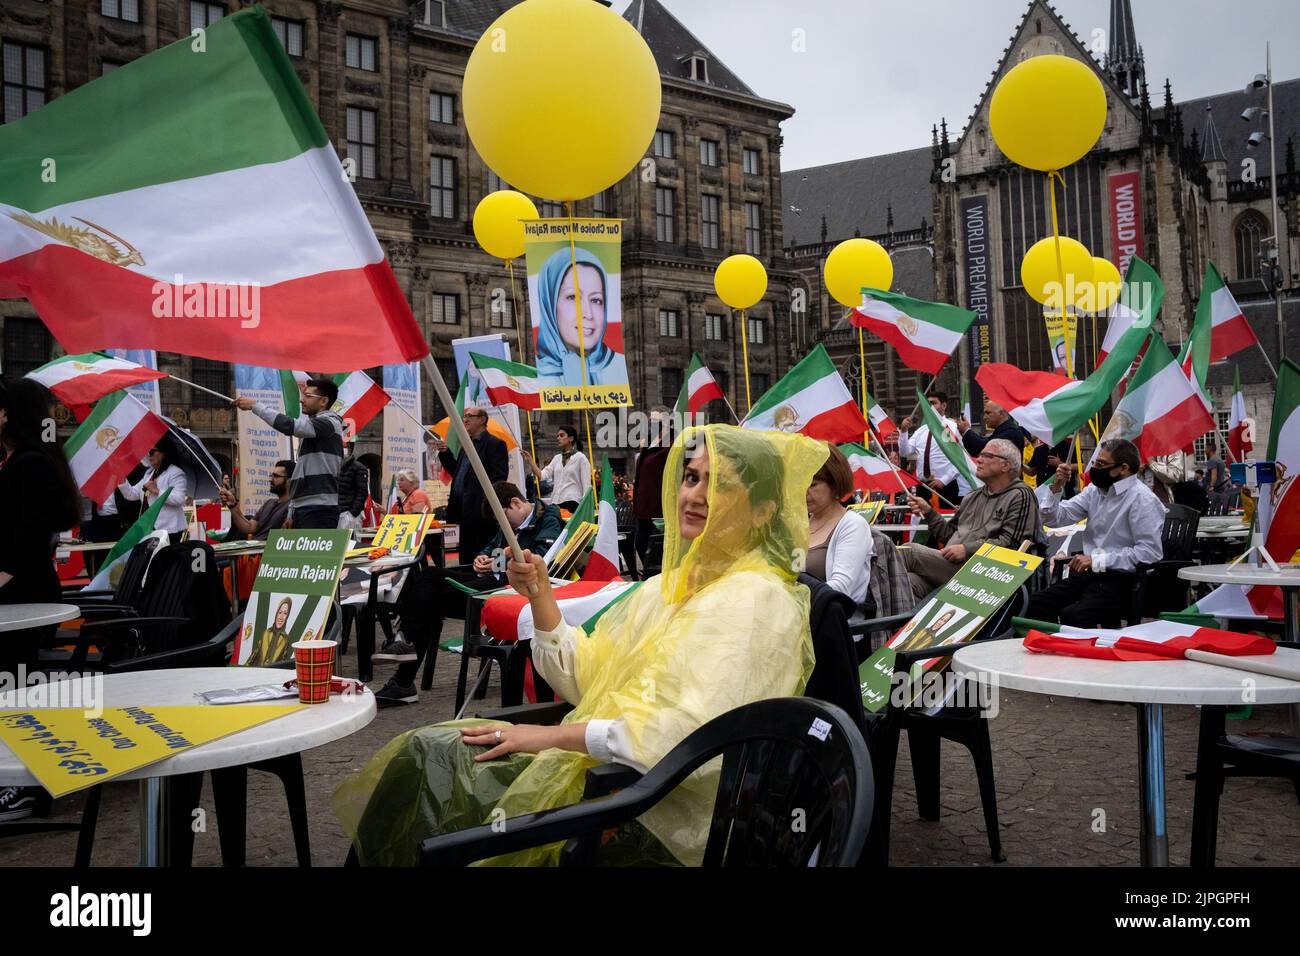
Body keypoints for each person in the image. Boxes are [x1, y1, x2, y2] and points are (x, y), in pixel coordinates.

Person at [334, 425, 823, 865]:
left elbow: (683, 735)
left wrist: (544, 737)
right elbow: (587, 673)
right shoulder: (667, 588)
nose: (693, 495)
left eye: (718, 484)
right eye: (690, 477)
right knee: (425, 751)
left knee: (428, 761)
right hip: (599, 776)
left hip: (654, 817)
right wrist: (542, 595)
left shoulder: (758, 601)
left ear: (763, 511)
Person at [373, 481, 566, 704]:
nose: (500, 524)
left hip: (505, 590)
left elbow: (540, 558)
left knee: (428, 603)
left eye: (501, 517)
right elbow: (491, 548)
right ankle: (404, 641)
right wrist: (482, 558)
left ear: (516, 503)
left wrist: (499, 558)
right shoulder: (510, 523)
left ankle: (403, 678)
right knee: (429, 576)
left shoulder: (548, 518)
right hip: (486, 580)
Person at [0, 379, 81, 821]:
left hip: (24, 596)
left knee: (13, 685)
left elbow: (29, 536)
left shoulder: (31, 463)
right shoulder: (21, 460)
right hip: (22, 591)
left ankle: (26, 787)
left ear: (9, 414)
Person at [1025, 438, 1165, 628]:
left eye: (1101, 464)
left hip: (1123, 579)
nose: (1094, 468)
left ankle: (1083, 652)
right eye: (1095, 462)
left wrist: (1096, 559)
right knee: (1036, 603)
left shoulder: (1142, 499)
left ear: (1123, 468)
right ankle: (1051, 648)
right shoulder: (1096, 490)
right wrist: (1056, 487)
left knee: (1074, 615)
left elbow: (1149, 553)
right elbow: (1055, 518)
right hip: (1091, 574)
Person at [901, 438, 1038, 598]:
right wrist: (928, 511)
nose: (978, 459)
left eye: (987, 455)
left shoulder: (1020, 495)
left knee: (908, 551)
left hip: (985, 575)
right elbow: (948, 535)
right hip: (952, 569)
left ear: (1005, 465)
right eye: (980, 455)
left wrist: (967, 549)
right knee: (906, 583)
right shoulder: (972, 497)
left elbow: (1012, 544)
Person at [232, 377, 345, 530]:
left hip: (319, 509)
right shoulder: (314, 430)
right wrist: (291, 512)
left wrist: (255, 406)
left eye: (308, 396)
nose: (302, 400)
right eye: (303, 395)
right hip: (306, 508)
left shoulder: (329, 423)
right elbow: (300, 473)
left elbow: (290, 426)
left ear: (324, 401)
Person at [534, 247, 627, 389]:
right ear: (550, 303)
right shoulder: (533, 376)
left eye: (596, 300)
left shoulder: (618, 366)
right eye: (573, 297)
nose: (588, 314)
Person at [429, 406, 508, 561]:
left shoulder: (494, 444)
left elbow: (498, 479)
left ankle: (483, 582)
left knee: (481, 555)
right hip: (462, 512)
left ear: (482, 419)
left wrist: (484, 504)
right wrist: (445, 453)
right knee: (466, 557)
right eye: (464, 416)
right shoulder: (467, 445)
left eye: (470, 416)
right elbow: (457, 473)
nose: (465, 419)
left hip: (480, 514)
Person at [805, 443, 873, 607]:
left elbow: (841, 588)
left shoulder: (853, 525)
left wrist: (790, 600)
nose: (804, 491)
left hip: (833, 626)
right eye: (801, 483)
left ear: (835, 484)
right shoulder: (799, 524)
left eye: (813, 485)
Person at [117, 435, 188, 541]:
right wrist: (121, 479)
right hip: (148, 528)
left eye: (152, 452)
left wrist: (156, 490)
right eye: (148, 452)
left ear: (163, 453)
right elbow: (131, 494)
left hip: (168, 529)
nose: (149, 456)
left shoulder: (175, 473)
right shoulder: (149, 474)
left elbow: (179, 499)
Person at [898, 391, 961, 506]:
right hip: (923, 486)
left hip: (946, 486)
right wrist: (903, 432)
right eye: (928, 403)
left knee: (947, 521)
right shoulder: (921, 430)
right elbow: (904, 453)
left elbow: (961, 459)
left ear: (944, 406)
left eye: (933, 403)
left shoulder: (953, 427)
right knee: (924, 521)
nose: (930, 406)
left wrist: (944, 480)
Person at [632, 407, 672, 577]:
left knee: (659, 546)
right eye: (651, 421)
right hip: (643, 505)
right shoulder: (648, 441)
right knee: (640, 543)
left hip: (659, 505)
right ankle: (651, 575)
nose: (654, 424)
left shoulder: (673, 442)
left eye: (658, 421)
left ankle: (658, 576)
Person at [219, 460, 292, 541]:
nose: (271, 480)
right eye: (271, 476)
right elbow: (249, 527)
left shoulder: (292, 507)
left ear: (289, 481)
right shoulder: (269, 503)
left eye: (276, 476)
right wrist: (232, 504)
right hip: (251, 550)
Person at [524, 424, 590, 511]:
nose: (558, 438)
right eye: (557, 436)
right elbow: (542, 475)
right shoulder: (557, 458)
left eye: (562, 435)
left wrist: (585, 507)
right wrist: (530, 460)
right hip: (556, 503)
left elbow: (587, 486)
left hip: (573, 502)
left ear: (571, 438)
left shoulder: (580, 458)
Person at [960, 399, 1025, 458]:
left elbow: (983, 448)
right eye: (984, 413)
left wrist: (966, 430)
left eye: (988, 413)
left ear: (1001, 413)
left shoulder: (1011, 432)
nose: (984, 417)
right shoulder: (1004, 430)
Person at [251, 596, 294, 665]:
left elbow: (284, 661)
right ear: (276, 613)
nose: (281, 617)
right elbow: (255, 653)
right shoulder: (266, 633)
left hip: (273, 673)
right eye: (280, 612)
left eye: (285, 613)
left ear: (287, 616)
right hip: (258, 671)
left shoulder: (285, 639)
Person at [337, 442, 369, 530]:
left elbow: (362, 493)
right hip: (335, 513)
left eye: (345, 447)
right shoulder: (334, 466)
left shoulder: (359, 468)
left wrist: (352, 513)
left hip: (349, 514)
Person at [1202, 440, 1230, 511]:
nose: (1204, 451)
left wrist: (1211, 486)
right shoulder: (1219, 459)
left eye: (1205, 448)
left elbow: (1214, 475)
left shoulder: (1212, 460)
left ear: (1209, 449)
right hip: (1221, 488)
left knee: (1212, 509)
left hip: (1214, 490)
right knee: (1219, 507)